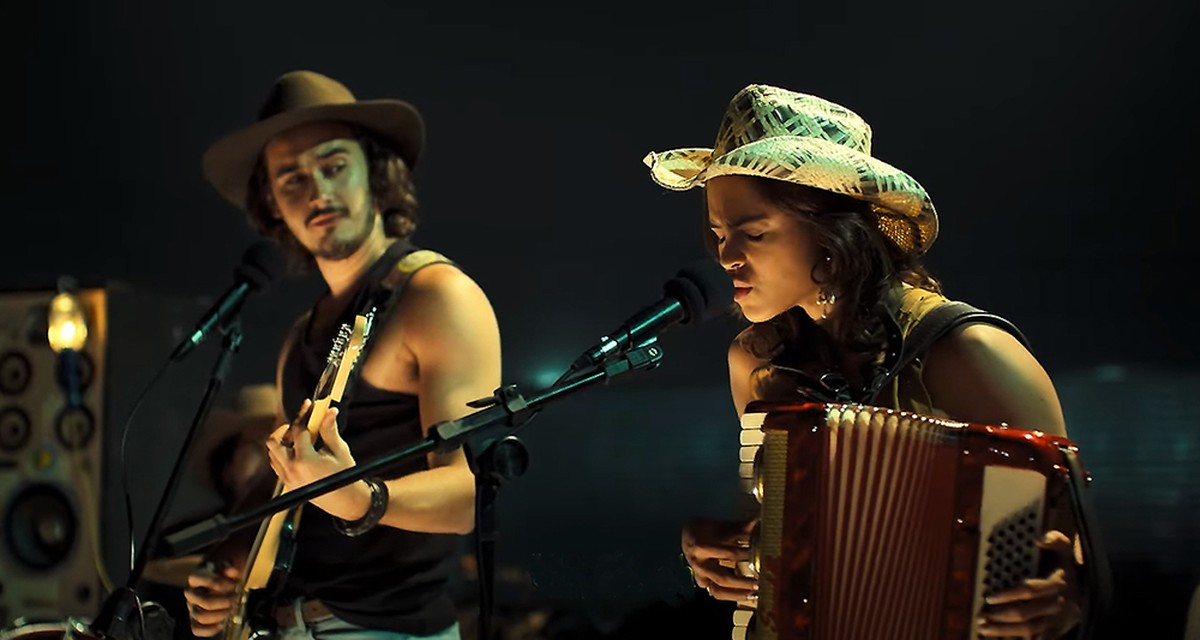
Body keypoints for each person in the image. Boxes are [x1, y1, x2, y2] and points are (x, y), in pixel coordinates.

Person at [644, 84, 1086, 639]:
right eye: (719, 233)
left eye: (753, 233)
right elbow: (771, 535)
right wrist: (718, 549)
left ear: (833, 236)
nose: (726, 256)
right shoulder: (756, 365)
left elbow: (1073, 558)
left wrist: (1064, 595)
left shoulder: (970, 353)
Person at [182, 70, 502, 640]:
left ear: (376, 174)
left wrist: (359, 496)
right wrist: (231, 567)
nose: (318, 192)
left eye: (333, 166)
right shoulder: (298, 338)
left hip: (389, 629)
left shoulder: (436, 296)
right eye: (291, 179)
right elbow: (290, 484)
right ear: (272, 205)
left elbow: (467, 496)